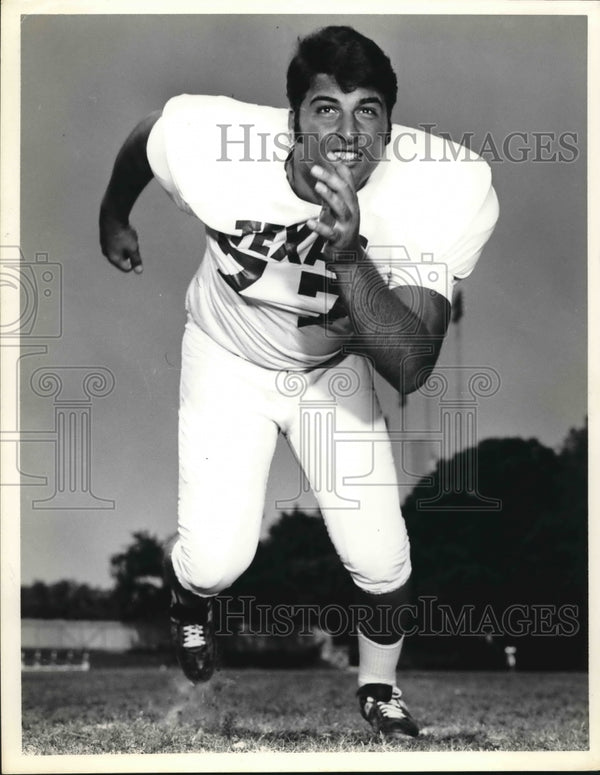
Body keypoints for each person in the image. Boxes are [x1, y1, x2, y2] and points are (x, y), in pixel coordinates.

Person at [99, 25, 499, 740]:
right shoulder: (214, 142)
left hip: (331, 368)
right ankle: (190, 603)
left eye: (368, 111)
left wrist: (348, 250)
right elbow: (147, 138)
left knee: (382, 560)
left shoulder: (443, 184)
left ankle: (379, 685)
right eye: (326, 110)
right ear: (291, 121)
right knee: (218, 559)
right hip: (227, 355)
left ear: (390, 123)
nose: (349, 135)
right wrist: (113, 216)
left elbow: (410, 364)